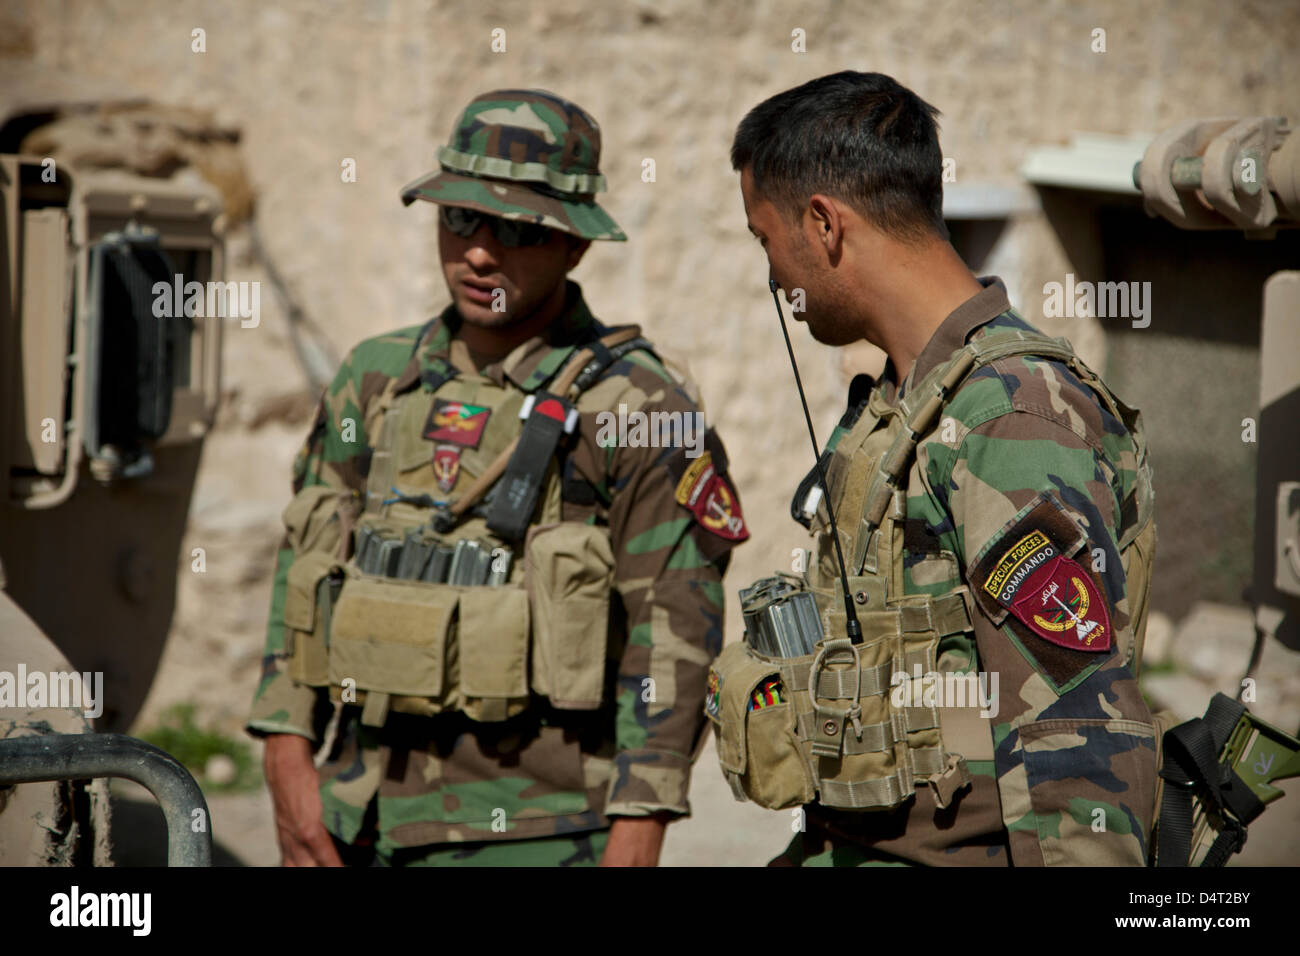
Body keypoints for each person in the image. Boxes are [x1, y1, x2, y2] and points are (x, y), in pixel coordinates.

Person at [247, 89, 747, 867]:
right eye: (460, 221)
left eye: (519, 231)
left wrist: (640, 830)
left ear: (576, 246)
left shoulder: (639, 405)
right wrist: (285, 750)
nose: (482, 252)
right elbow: (306, 561)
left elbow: (674, 628)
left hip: (541, 832)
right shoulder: (376, 378)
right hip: (358, 813)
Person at [715, 70, 1158, 866]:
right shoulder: (908, 400)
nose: (774, 275)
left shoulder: (1009, 416)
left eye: (765, 240)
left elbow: (1079, 741)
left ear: (823, 225)